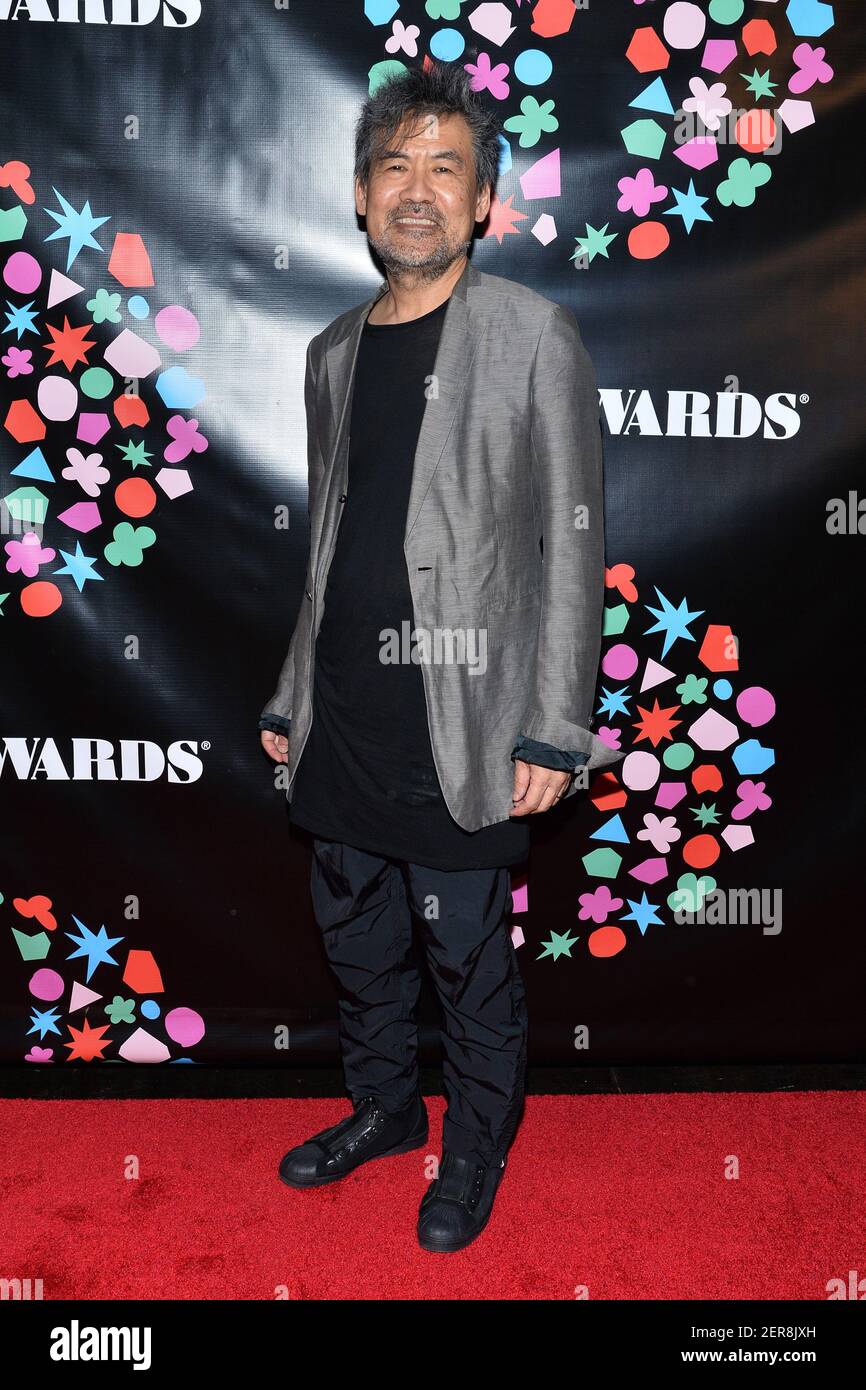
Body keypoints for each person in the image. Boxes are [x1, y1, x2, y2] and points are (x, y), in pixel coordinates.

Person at [259, 61, 624, 1253]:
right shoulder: (329, 350)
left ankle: (471, 1148)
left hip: (464, 723)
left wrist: (555, 725)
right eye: (394, 168)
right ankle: (380, 1107)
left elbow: (575, 543)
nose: (417, 191)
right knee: (357, 941)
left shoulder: (532, 337)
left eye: (446, 168)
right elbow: (328, 544)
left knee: (467, 960)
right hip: (346, 716)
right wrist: (291, 692)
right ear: (359, 198)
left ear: (481, 204)